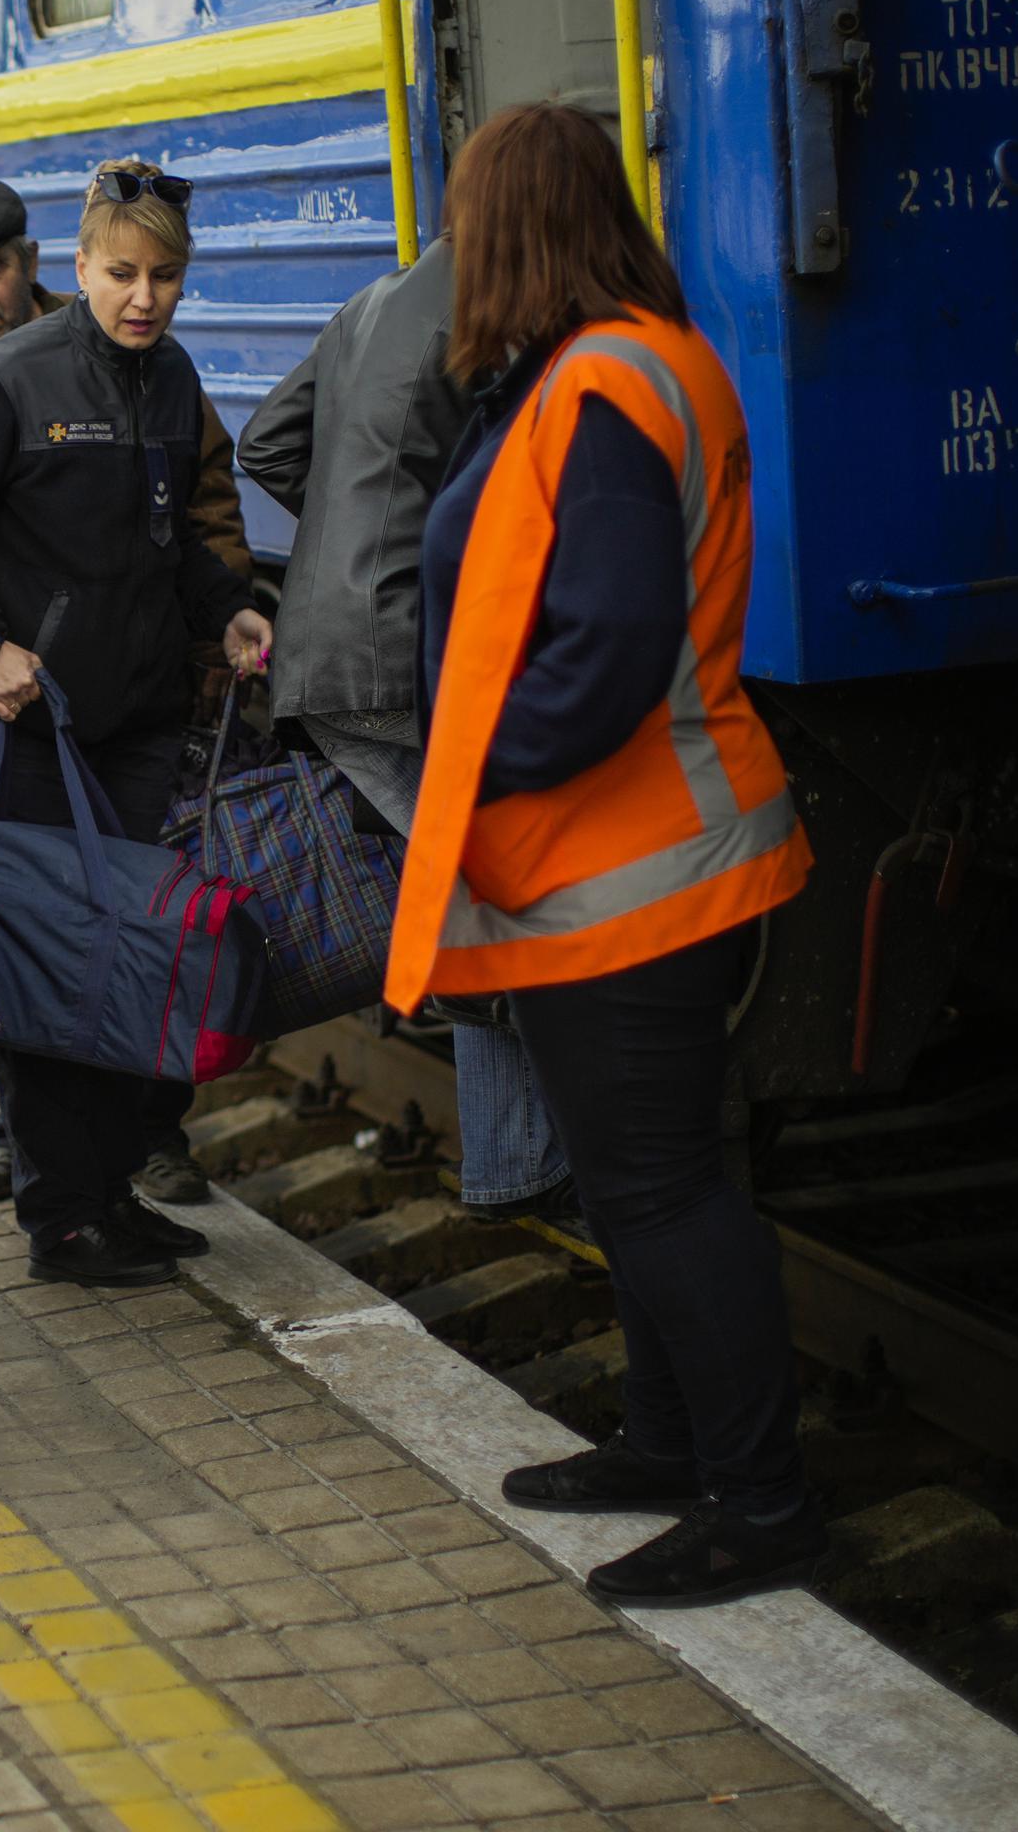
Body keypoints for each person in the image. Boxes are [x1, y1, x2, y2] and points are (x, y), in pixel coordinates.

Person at [387, 103, 818, 1605]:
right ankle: (664, 1440)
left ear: (510, 226)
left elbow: (610, 653)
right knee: (640, 1182)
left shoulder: (605, 384)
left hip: (631, 872)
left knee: (662, 1189)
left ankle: (759, 1504)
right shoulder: (614, 365)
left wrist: (466, 768)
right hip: (622, 865)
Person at [0, 162, 272, 1288]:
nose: (144, 296)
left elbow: (173, 545)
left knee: (130, 958)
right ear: (77, 268)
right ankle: (60, 1216)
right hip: (29, 737)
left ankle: (110, 1188)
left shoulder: (168, 380)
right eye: (122, 274)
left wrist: (235, 611)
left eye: (165, 276)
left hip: (138, 727)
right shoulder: (4, 382)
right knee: (49, 970)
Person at [241, 237, 574, 1221]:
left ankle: (523, 1153)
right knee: (483, 885)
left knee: (466, 882)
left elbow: (265, 443)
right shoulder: (498, 302)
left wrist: (347, 537)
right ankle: (521, 1159)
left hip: (326, 640)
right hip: (395, 650)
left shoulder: (370, 300)